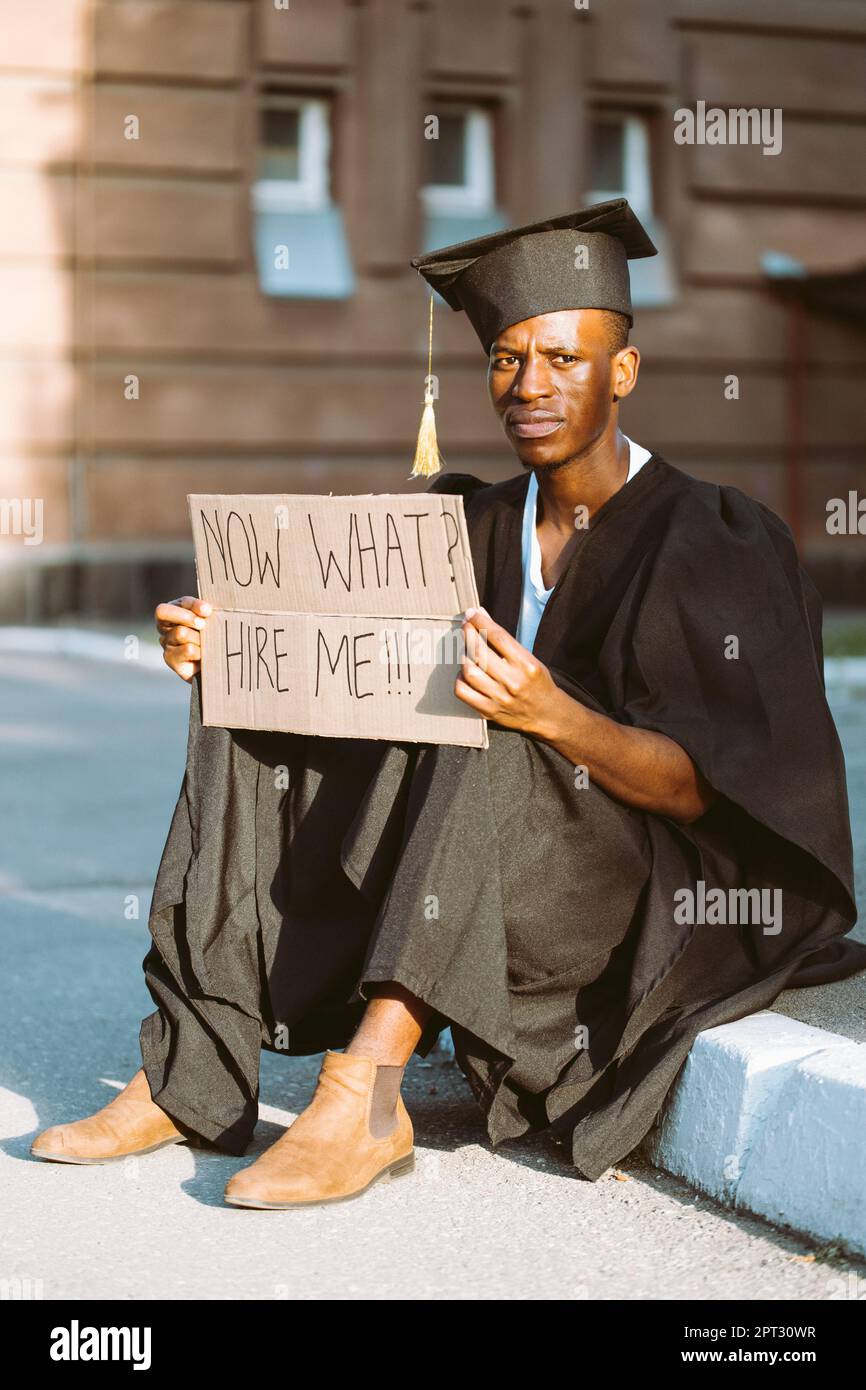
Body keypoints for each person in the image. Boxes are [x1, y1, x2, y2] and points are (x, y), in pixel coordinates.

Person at [31, 199, 866, 1207]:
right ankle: (190, 1071)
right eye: (507, 359)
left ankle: (367, 1094)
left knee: (488, 716)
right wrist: (227, 648)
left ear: (622, 372)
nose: (530, 385)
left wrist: (555, 715)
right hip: (481, 864)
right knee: (245, 699)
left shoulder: (712, 539)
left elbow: (703, 794)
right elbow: (331, 676)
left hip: (638, 893)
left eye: (562, 358)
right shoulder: (461, 525)